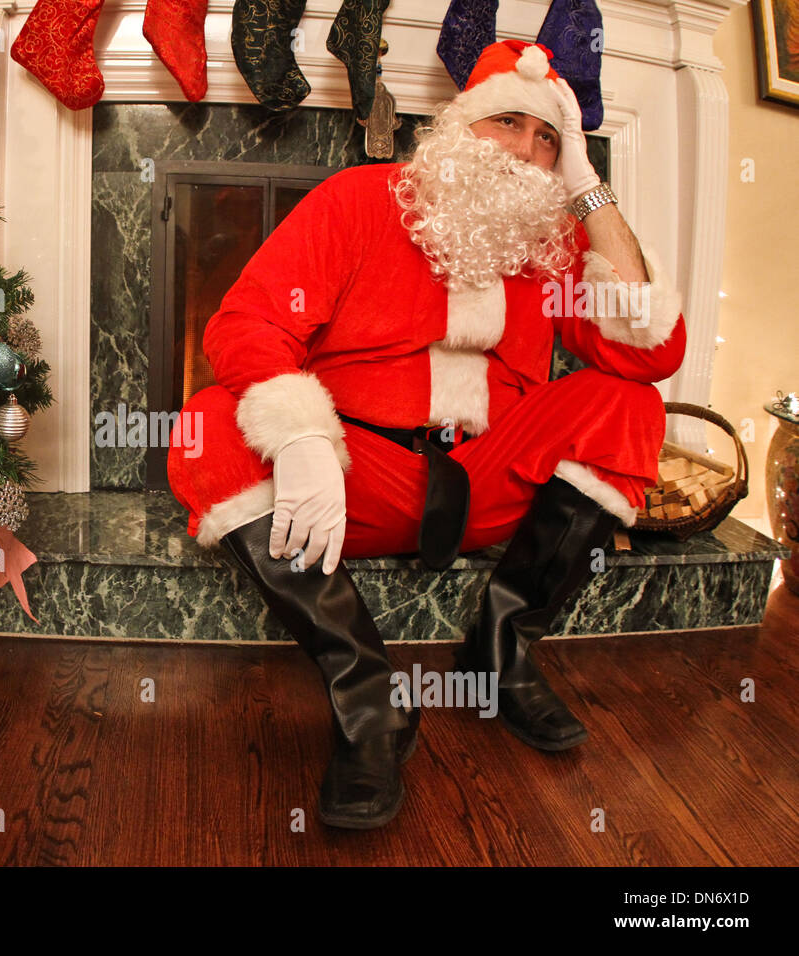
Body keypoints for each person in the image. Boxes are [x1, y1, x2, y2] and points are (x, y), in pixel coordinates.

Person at [166, 39, 687, 830]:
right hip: (353, 478)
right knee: (206, 425)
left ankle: (503, 652)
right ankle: (371, 705)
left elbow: (653, 351)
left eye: (547, 139)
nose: (527, 149)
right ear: (459, 127)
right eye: (508, 122)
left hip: (487, 478)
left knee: (628, 404)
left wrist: (586, 187)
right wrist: (304, 440)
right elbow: (247, 323)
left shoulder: (551, 247)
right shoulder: (360, 197)